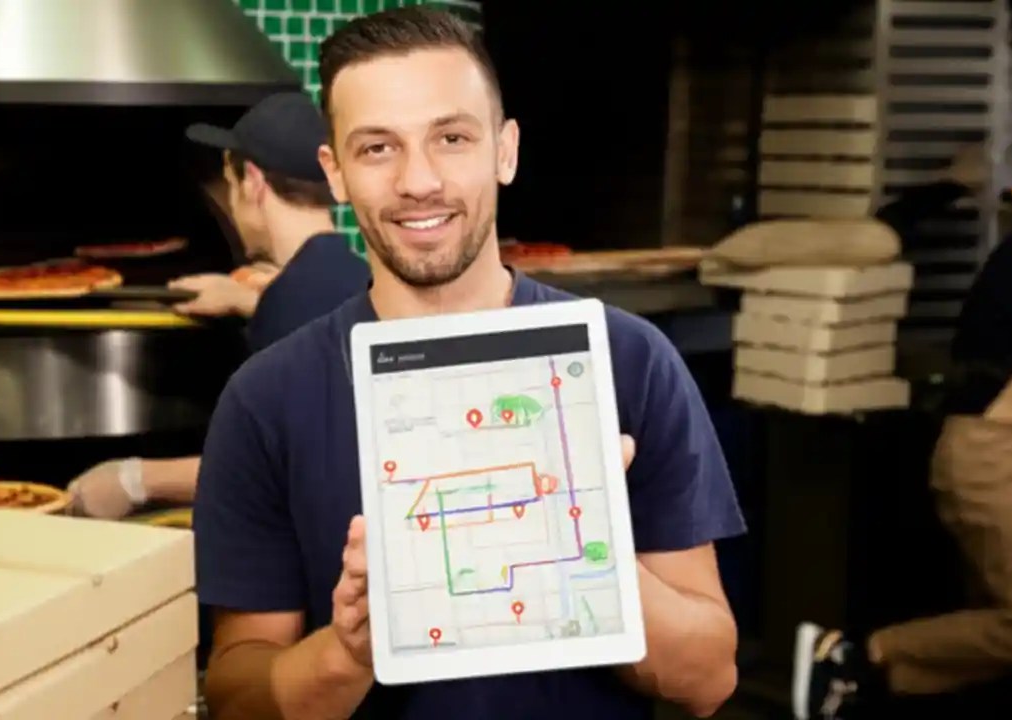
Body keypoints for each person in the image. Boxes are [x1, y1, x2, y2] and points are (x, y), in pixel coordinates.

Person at [193, 8, 747, 720]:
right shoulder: (265, 399)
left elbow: (709, 680)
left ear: (505, 151)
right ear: (334, 172)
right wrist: (350, 651)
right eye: (377, 148)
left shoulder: (629, 361)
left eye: (451, 138)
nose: (419, 180)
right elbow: (236, 697)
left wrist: (580, 552)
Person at [793, 134, 1012, 720]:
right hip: (990, 462)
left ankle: (862, 684)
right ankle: (855, 652)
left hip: (995, 457)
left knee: (996, 618)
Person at [66, 91, 370, 520]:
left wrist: (134, 480)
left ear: (253, 182)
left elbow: (277, 466)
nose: (231, 203)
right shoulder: (348, 275)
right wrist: (248, 298)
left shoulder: (293, 310)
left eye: (230, 186)